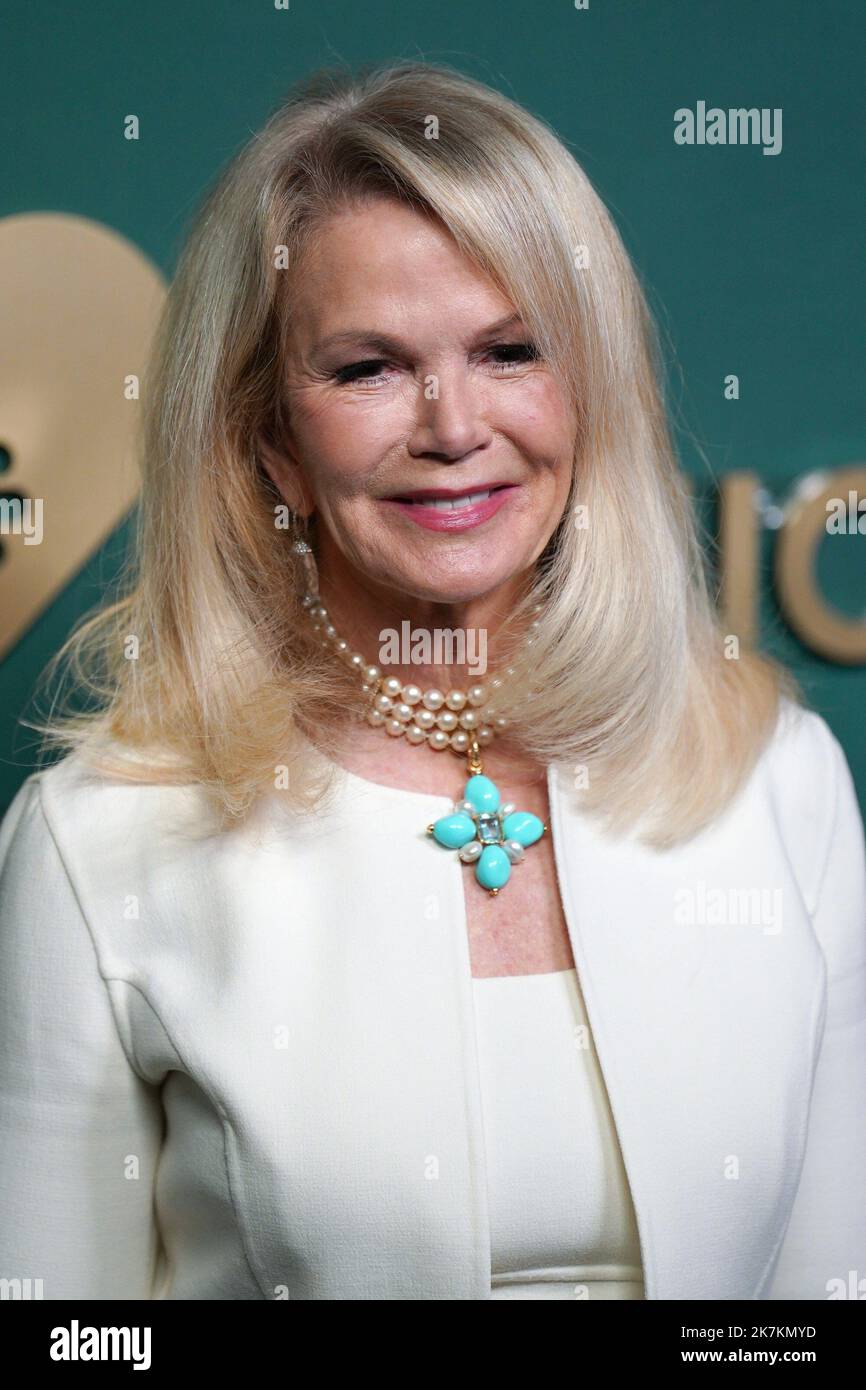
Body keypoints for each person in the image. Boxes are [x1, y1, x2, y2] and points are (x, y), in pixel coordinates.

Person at [1, 60, 864, 1301]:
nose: (453, 425)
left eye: (511, 350)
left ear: (591, 391)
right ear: (270, 445)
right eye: (366, 369)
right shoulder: (98, 844)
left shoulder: (780, 781)